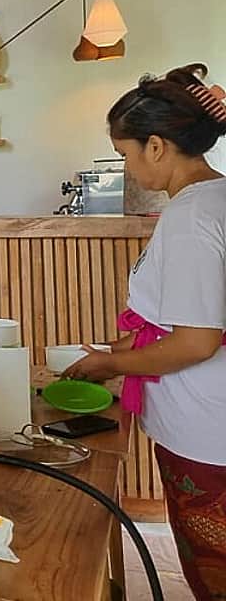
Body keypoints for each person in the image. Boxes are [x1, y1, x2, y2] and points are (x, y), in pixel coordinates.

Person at [64, 64, 226, 600]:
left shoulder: (190, 218)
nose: (127, 167)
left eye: (126, 153)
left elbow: (197, 341)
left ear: (156, 146)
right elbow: (181, 320)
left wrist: (110, 365)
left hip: (206, 431)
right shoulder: (217, 200)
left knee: (214, 572)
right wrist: (118, 348)